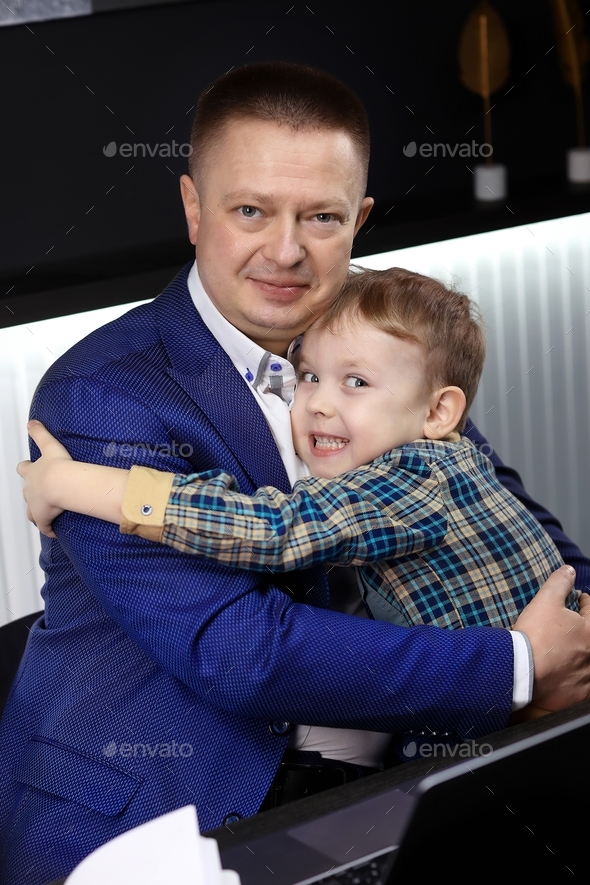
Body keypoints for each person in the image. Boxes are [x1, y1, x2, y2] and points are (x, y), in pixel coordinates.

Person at [3, 62, 590, 885]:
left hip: (384, 781)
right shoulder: (103, 393)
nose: (286, 250)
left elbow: (522, 533)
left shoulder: (385, 349)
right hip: (163, 809)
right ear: (193, 209)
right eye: (251, 210)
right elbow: (240, 653)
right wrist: (519, 665)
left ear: (361, 220)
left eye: (321, 216)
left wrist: (579, 635)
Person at [20, 266, 576, 640]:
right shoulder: (427, 443)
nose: (318, 404)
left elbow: (274, 529)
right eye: (308, 375)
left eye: (355, 383)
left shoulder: (413, 476)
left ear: (439, 413)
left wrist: (75, 485)